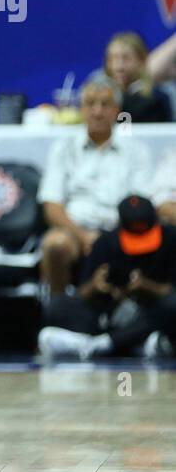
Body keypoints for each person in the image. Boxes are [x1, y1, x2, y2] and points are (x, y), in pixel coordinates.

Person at [38, 77, 152, 297]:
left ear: (118, 110)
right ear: (81, 109)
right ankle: (60, 310)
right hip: (75, 230)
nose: (98, 112)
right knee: (55, 244)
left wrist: (112, 239)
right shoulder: (63, 149)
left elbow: (142, 204)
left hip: (121, 230)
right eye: (90, 104)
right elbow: (52, 206)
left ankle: (131, 318)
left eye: (105, 104)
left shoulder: (137, 151)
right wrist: (83, 236)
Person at [39, 195, 176, 360]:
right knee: (57, 306)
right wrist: (95, 286)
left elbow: (171, 291)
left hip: (150, 312)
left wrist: (146, 286)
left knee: (170, 307)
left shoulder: (170, 238)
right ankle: (132, 344)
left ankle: (97, 345)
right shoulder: (105, 242)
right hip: (110, 313)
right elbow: (81, 294)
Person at [89, 31, 172, 123]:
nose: (119, 66)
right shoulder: (99, 99)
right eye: (114, 58)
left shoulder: (157, 99)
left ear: (141, 61)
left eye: (126, 58)